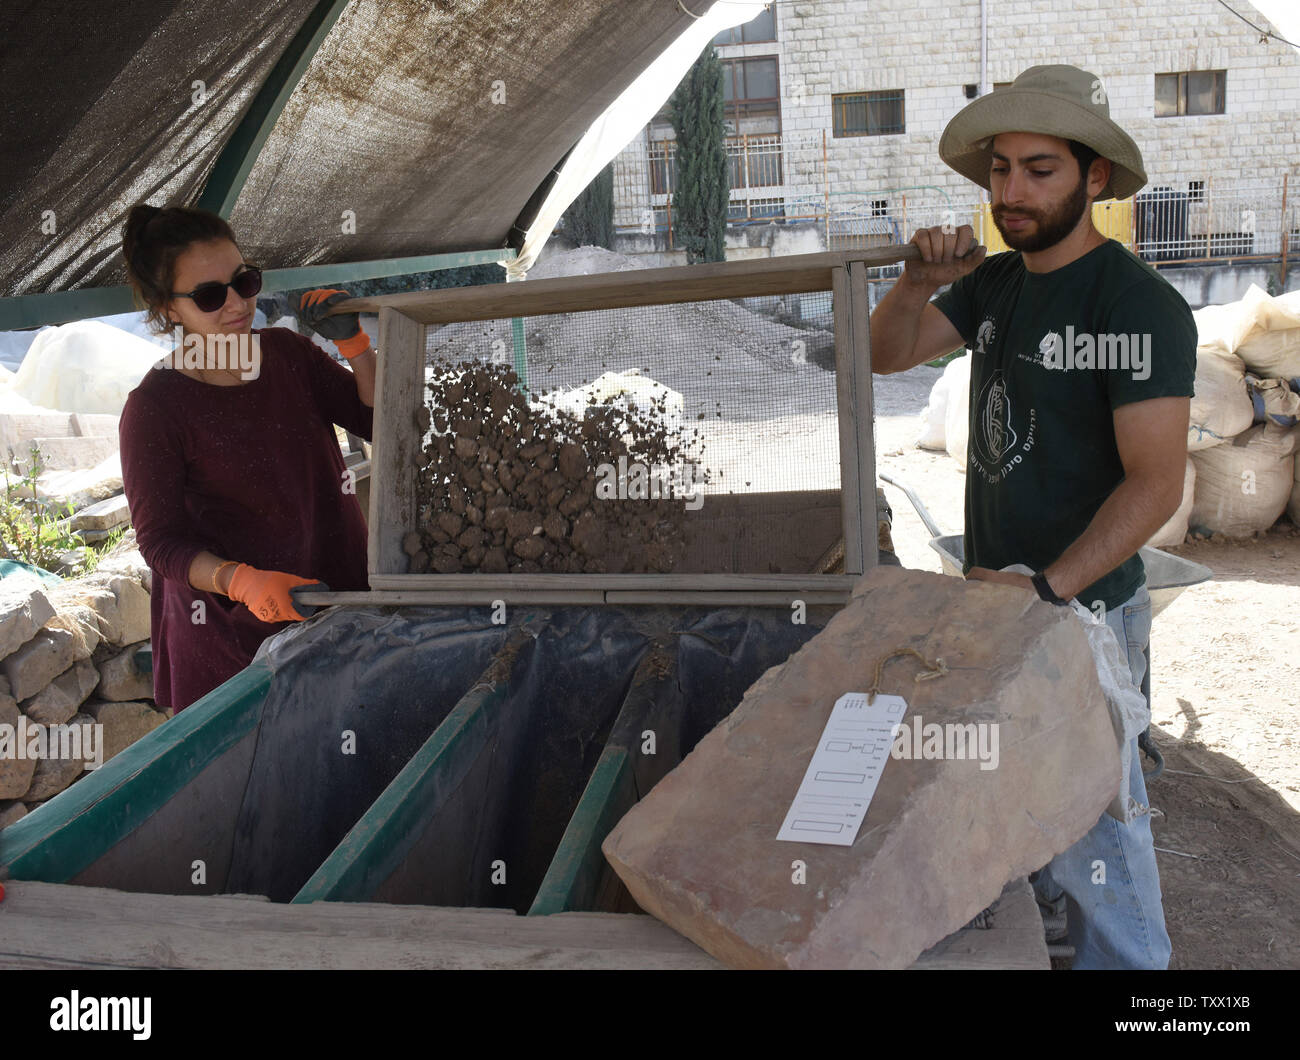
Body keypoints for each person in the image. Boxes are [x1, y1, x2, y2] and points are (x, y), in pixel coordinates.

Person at [869, 65, 1196, 968]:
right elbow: (885, 355)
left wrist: (1047, 587)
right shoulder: (996, 287)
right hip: (1004, 598)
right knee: (1028, 791)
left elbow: (1154, 485)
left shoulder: (1137, 307)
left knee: (1101, 822)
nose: (1010, 191)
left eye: (1040, 170)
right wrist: (910, 282)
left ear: (1095, 179)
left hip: (1076, 609)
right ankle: (1056, 929)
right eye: (1000, 168)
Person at [119, 204, 376, 714]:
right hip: (229, 649)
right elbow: (160, 542)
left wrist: (357, 346)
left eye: (244, 281)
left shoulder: (287, 355)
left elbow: (374, 420)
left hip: (338, 605)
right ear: (168, 309)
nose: (237, 304)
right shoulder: (154, 409)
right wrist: (240, 580)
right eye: (210, 296)